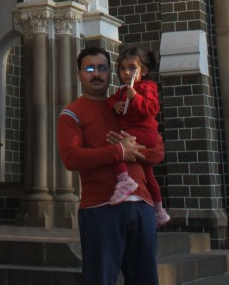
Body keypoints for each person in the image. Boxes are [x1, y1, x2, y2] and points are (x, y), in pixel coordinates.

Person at [57, 46, 164, 285]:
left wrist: (134, 152)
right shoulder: (71, 113)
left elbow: (157, 151)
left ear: (110, 73)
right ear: (79, 74)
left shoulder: (125, 105)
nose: (97, 74)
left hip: (142, 205)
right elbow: (71, 158)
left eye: (102, 68)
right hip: (101, 209)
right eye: (90, 68)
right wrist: (118, 151)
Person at [106, 47, 170, 227]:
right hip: (139, 134)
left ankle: (124, 180)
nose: (127, 72)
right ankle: (159, 211)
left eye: (132, 68)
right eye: (122, 68)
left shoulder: (146, 87)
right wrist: (115, 105)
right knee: (149, 175)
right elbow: (111, 100)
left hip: (145, 133)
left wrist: (135, 99)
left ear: (143, 70)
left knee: (117, 145)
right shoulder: (123, 90)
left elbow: (152, 108)